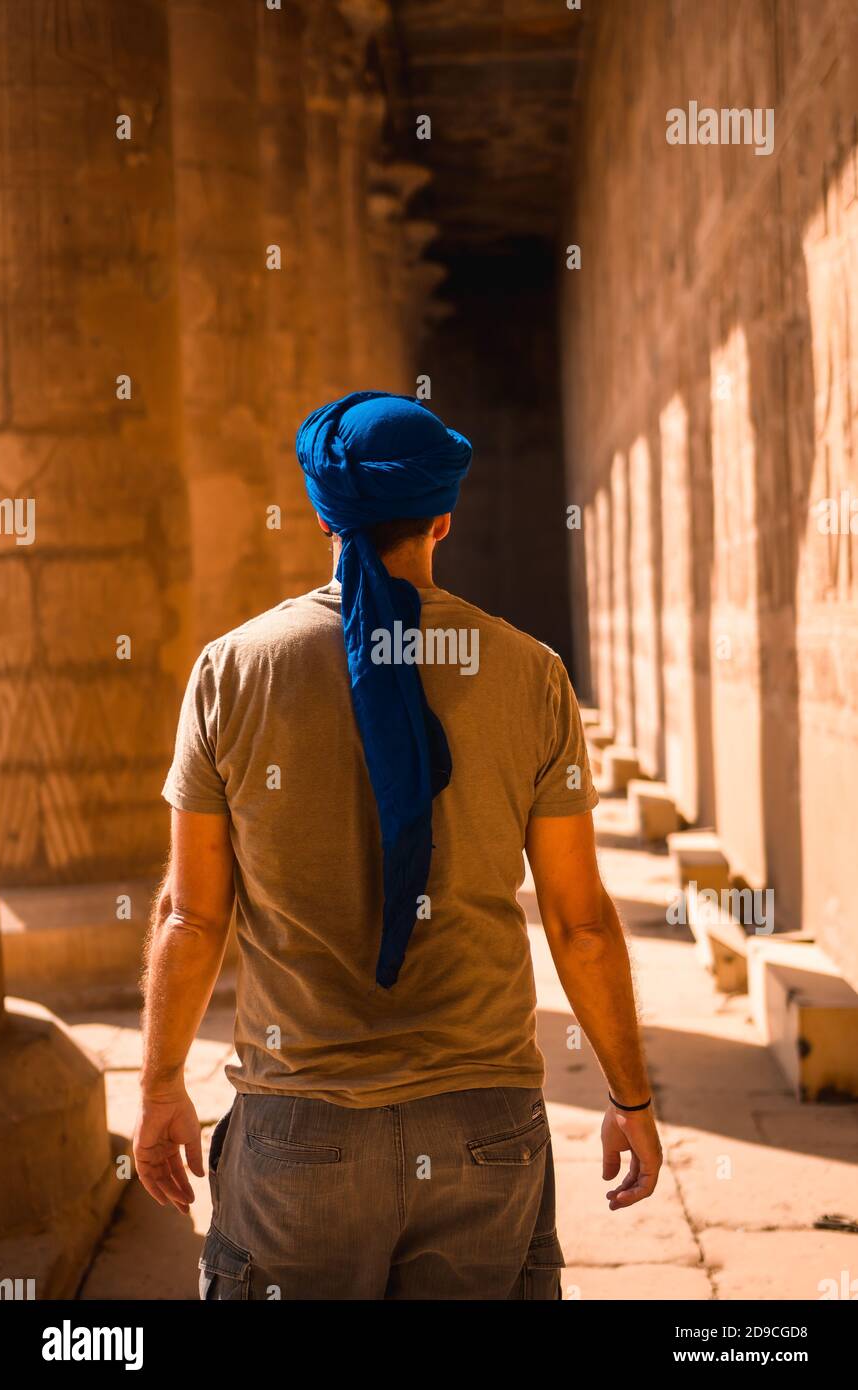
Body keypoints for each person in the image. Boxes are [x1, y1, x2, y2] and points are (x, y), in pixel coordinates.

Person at [135, 391, 662, 1300]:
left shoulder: (231, 670)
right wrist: (632, 1100)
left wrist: (158, 1091)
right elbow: (581, 925)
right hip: (484, 1123)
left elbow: (191, 914)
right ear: (442, 519)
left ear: (323, 513)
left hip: (299, 1131)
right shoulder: (532, 675)